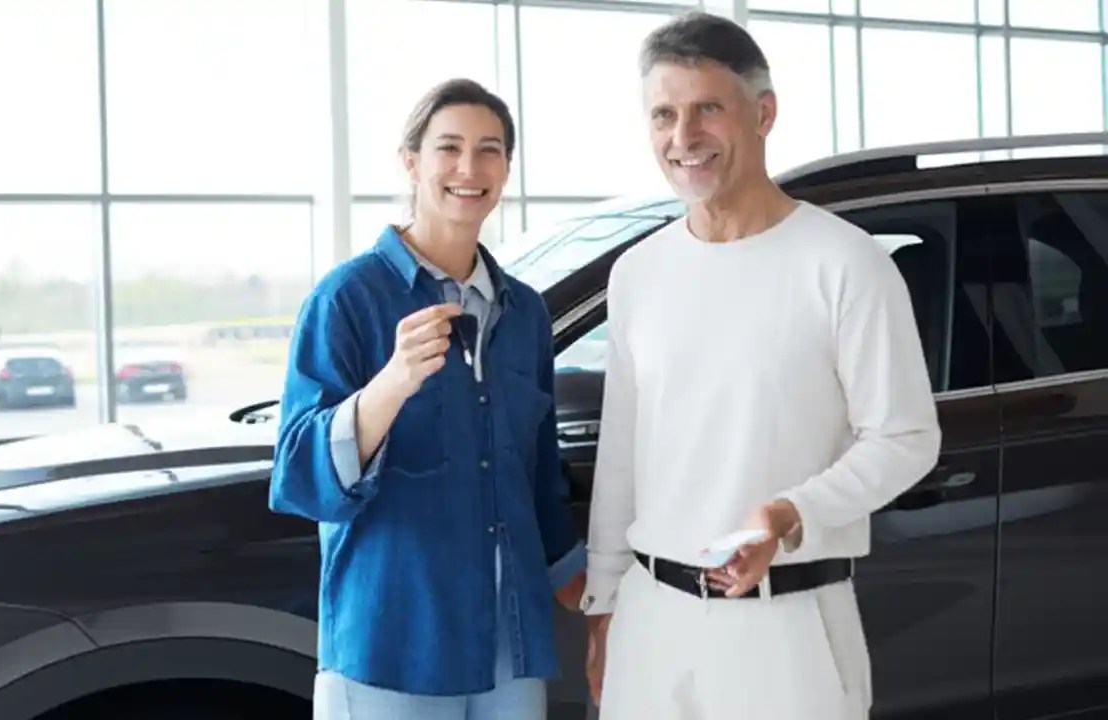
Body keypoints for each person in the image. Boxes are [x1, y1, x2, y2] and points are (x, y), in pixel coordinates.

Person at [580, 11, 942, 719]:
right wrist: (604, 600)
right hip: (652, 626)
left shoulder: (844, 263)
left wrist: (789, 513)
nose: (683, 137)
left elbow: (906, 437)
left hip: (788, 625)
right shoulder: (638, 273)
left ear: (764, 113)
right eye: (664, 115)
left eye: (708, 110)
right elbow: (620, 454)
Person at [269, 78, 587, 720]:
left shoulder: (524, 312)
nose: (470, 168)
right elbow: (299, 477)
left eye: (489, 150)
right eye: (449, 148)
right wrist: (392, 383)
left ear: (506, 168)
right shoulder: (346, 299)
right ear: (411, 162)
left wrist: (598, 600)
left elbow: (537, 479)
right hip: (393, 645)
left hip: (510, 650)